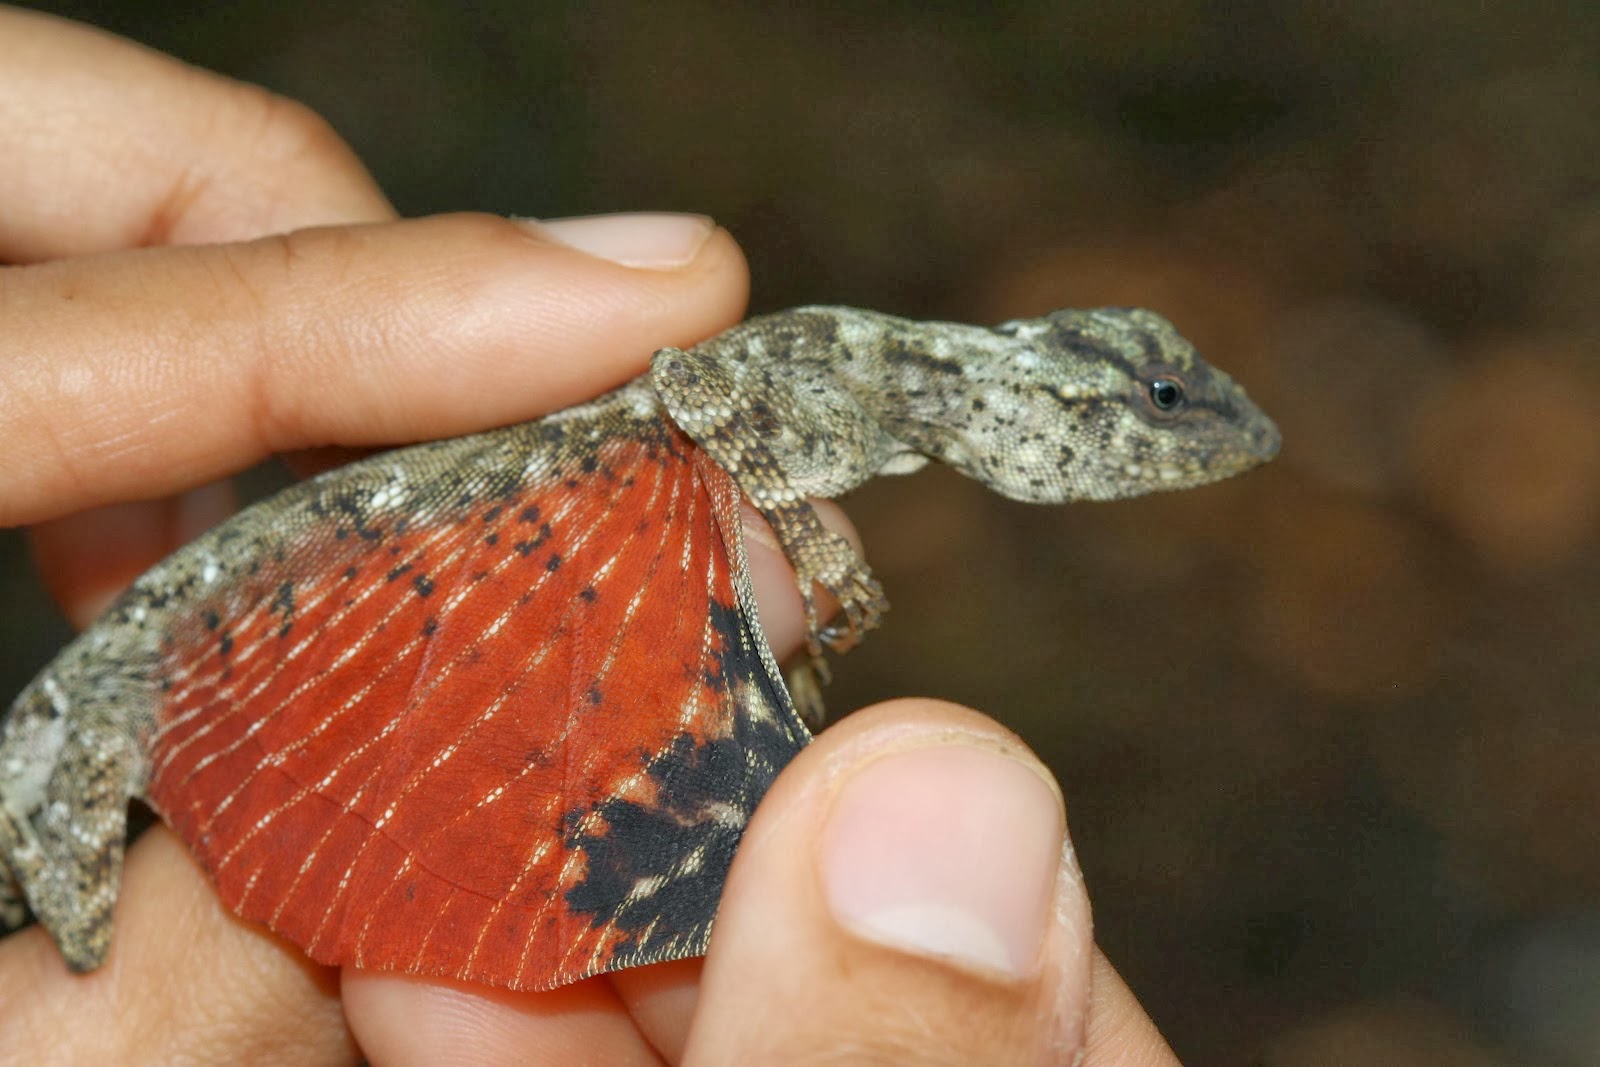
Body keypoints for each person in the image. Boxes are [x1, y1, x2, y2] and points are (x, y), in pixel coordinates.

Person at [0, 8, 1176, 1063]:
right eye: (1136, 422)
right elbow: (696, 386)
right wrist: (812, 550)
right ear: (1056, 404)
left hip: (493, 555)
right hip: (337, 576)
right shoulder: (859, 365)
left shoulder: (893, 391)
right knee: (92, 884)